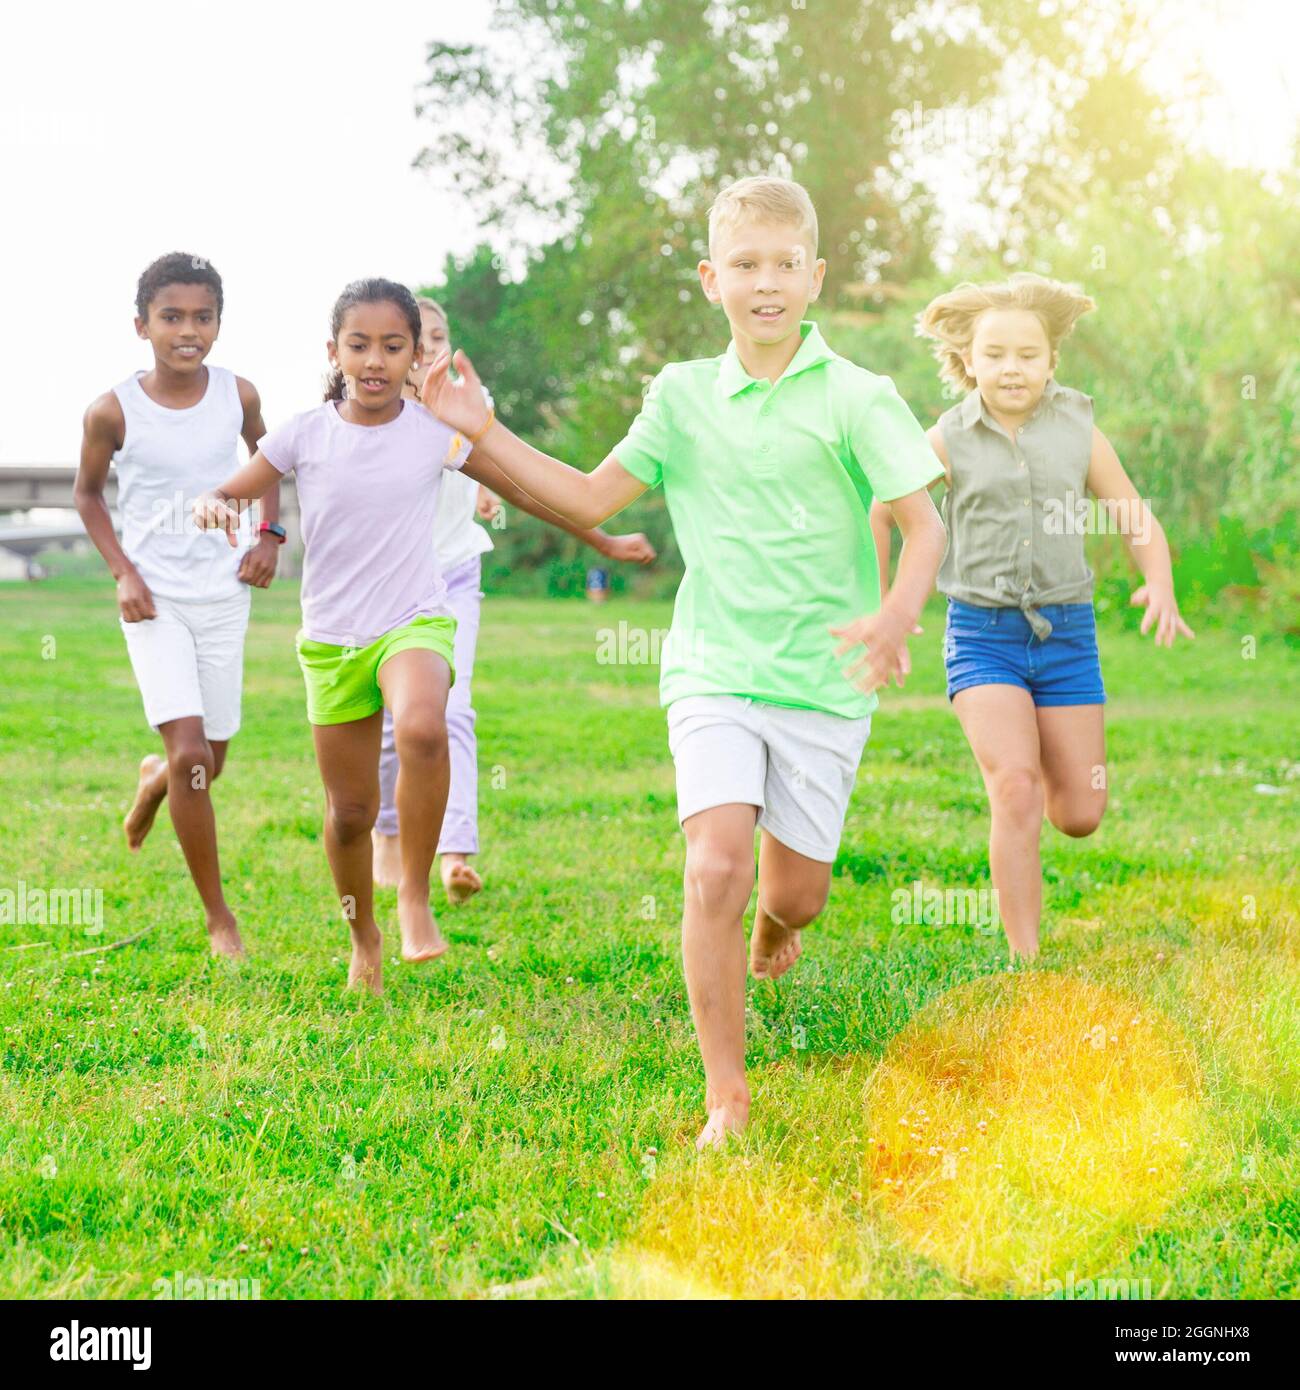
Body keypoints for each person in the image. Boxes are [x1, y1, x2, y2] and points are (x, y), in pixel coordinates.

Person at [418, 177, 948, 1147]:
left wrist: (895, 616)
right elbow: (586, 500)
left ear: (816, 275)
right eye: (745, 264)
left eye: (786, 263)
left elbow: (922, 524)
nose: (767, 282)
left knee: (797, 894)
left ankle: (776, 924)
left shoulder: (858, 396)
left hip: (824, 686)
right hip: (712, 668)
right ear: (712, 279)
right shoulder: (679, 396)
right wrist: (482, 431)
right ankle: (727, 1097)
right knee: (713, 867)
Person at [871, 271, 1194, 962]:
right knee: (1014, 789)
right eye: (995, 355)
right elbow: (882, 506)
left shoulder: (1078, 427)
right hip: (981, 637)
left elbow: (1132, 514)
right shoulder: (946, 438)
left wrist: (1158, 583)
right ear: (968, 362)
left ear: (1051, 360)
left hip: (1068, 636)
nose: (1011, 368)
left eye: (1027, 354)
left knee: (1079, 814)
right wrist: (885, 606)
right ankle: (1028, 958)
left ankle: (1046, 755)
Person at [372, 296, 657, 902]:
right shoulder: (376, 414)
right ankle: (388, 833)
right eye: (412, 341)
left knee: (453, 710)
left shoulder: (470, 410)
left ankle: (454, 852)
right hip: (390, 586)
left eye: (437, 338)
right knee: (397, 724)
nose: (426, 352)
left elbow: (528, 485)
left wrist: (602, 539)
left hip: (453, 577)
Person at [75, 251, 283, 958]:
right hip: (154, 602)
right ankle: (219, 918)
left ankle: (153, 783)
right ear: (142, 325)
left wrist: (270, 538)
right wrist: (122, 572)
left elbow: (270, 462)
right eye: (171, 317)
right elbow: (87, 494)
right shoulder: (112, 410)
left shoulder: (239, 395)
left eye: (202, 317)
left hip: (224, 595)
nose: (187, 330)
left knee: (209, 760)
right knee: (193, 752)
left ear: (219, 323)